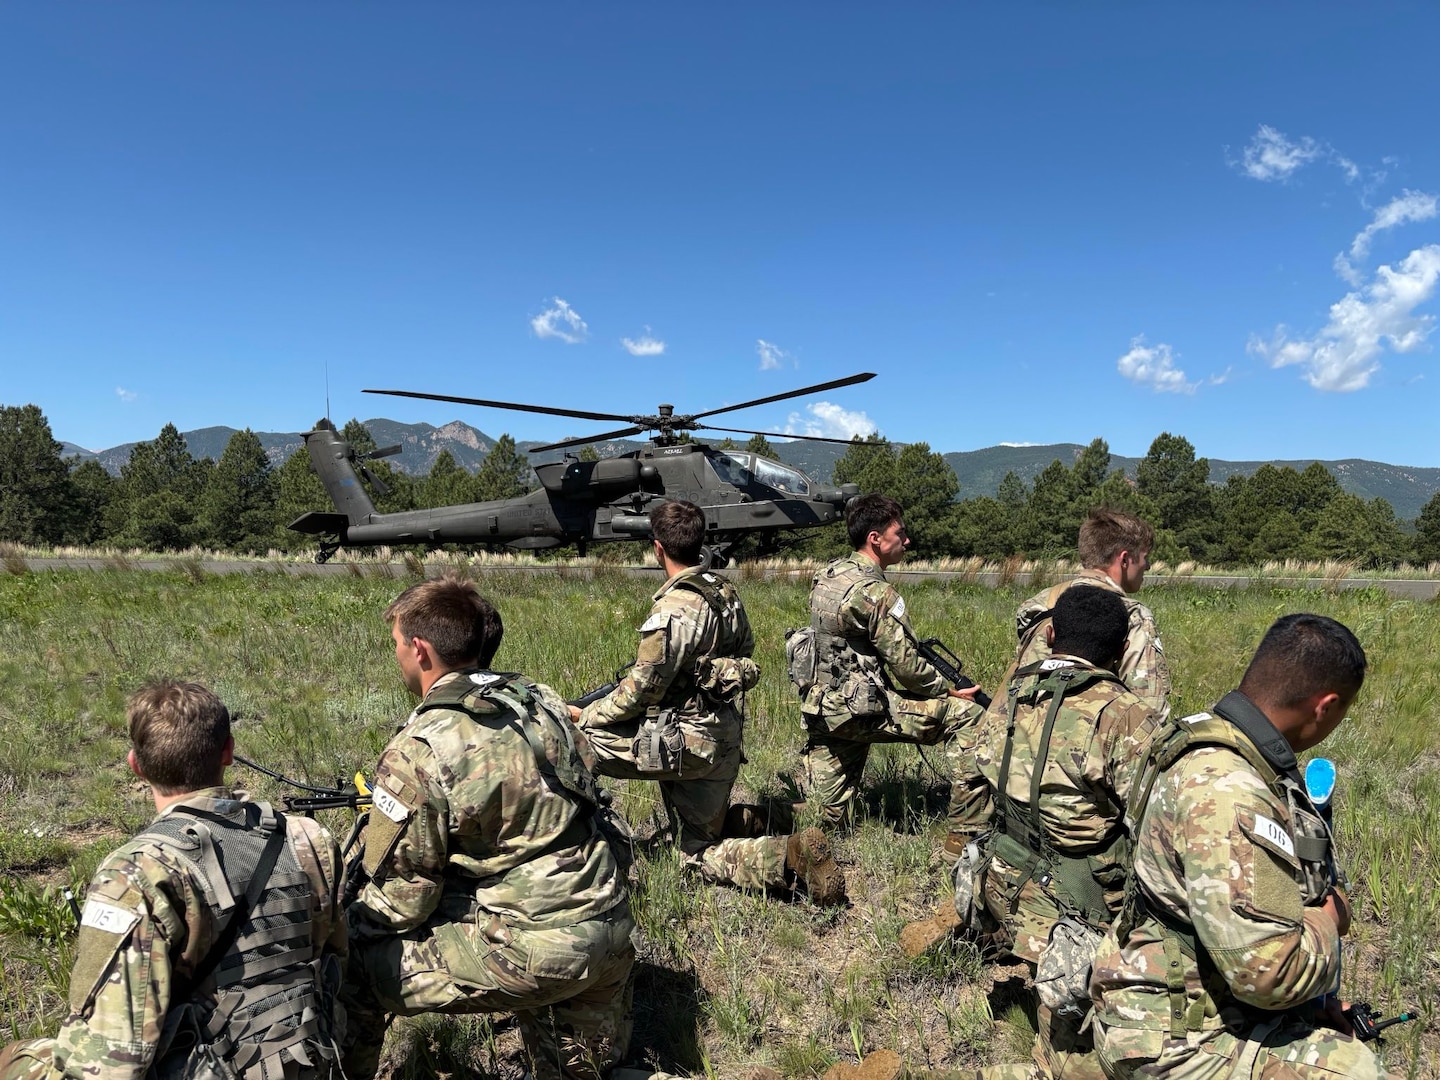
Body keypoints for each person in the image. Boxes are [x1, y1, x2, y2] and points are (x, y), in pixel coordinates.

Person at [341, 576, 634, 1080]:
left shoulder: (420, 747)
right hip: (610, 923)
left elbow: (405, 902)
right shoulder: (538, 698)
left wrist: (338, 926)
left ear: (419, 649)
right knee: (580, 1073)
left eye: (396, 644)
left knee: (352, 972)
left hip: (536, 952)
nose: (397, 655)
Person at [1090, 614, 1396, 1078]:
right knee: (1355, 1070)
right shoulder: (1231, 792)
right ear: (1326, 706)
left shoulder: (1201, 738)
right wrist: (1330, 918)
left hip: (1162, 985)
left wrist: (1313, 1003)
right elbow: (1268, 976)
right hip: (1170, 1035)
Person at [0, 681, 348, 1080]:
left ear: (136, 765)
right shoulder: (306, 838)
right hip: (313, 1061)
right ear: (228, 751)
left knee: (18, 1061)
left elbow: (112, 1065)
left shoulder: (136, 873)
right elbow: (339, 970)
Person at [574, 499, 845, 906]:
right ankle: (777, 819)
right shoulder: (723, 591)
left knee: (569, 743)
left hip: (685, 747)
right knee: (702, 834)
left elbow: (640, 691)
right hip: (724, 739)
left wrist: (585, 715)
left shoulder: (673, 610)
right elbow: (746, 651)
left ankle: (786, 857)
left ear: (658, 549)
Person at [964, 587, 1161, 1080]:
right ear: (1122, 650)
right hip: (1080, 906)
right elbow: (1159, 824)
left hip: (1006, 880)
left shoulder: (1013, 693)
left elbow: (971, 773)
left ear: (1050, 635)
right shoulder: (1124, 716)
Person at [798, 493, 986, 831]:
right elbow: (908, 668)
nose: (907, 540)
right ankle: (967, 830)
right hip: (859, 712)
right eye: (900, 533)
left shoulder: (828, 575)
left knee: (826, 817)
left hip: (822, 708)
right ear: (875, 539)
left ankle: (754, 818)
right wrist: (946, 691)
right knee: (969, 715)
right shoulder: (876, 592)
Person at [1012, 508, 1170, 721]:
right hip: (1090, 735)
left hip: (1021, 729)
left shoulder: (1040, 603)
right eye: (1145, 557)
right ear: (1124, 560)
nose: (1148, 566)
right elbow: (1150, 711)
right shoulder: (1132, 615)